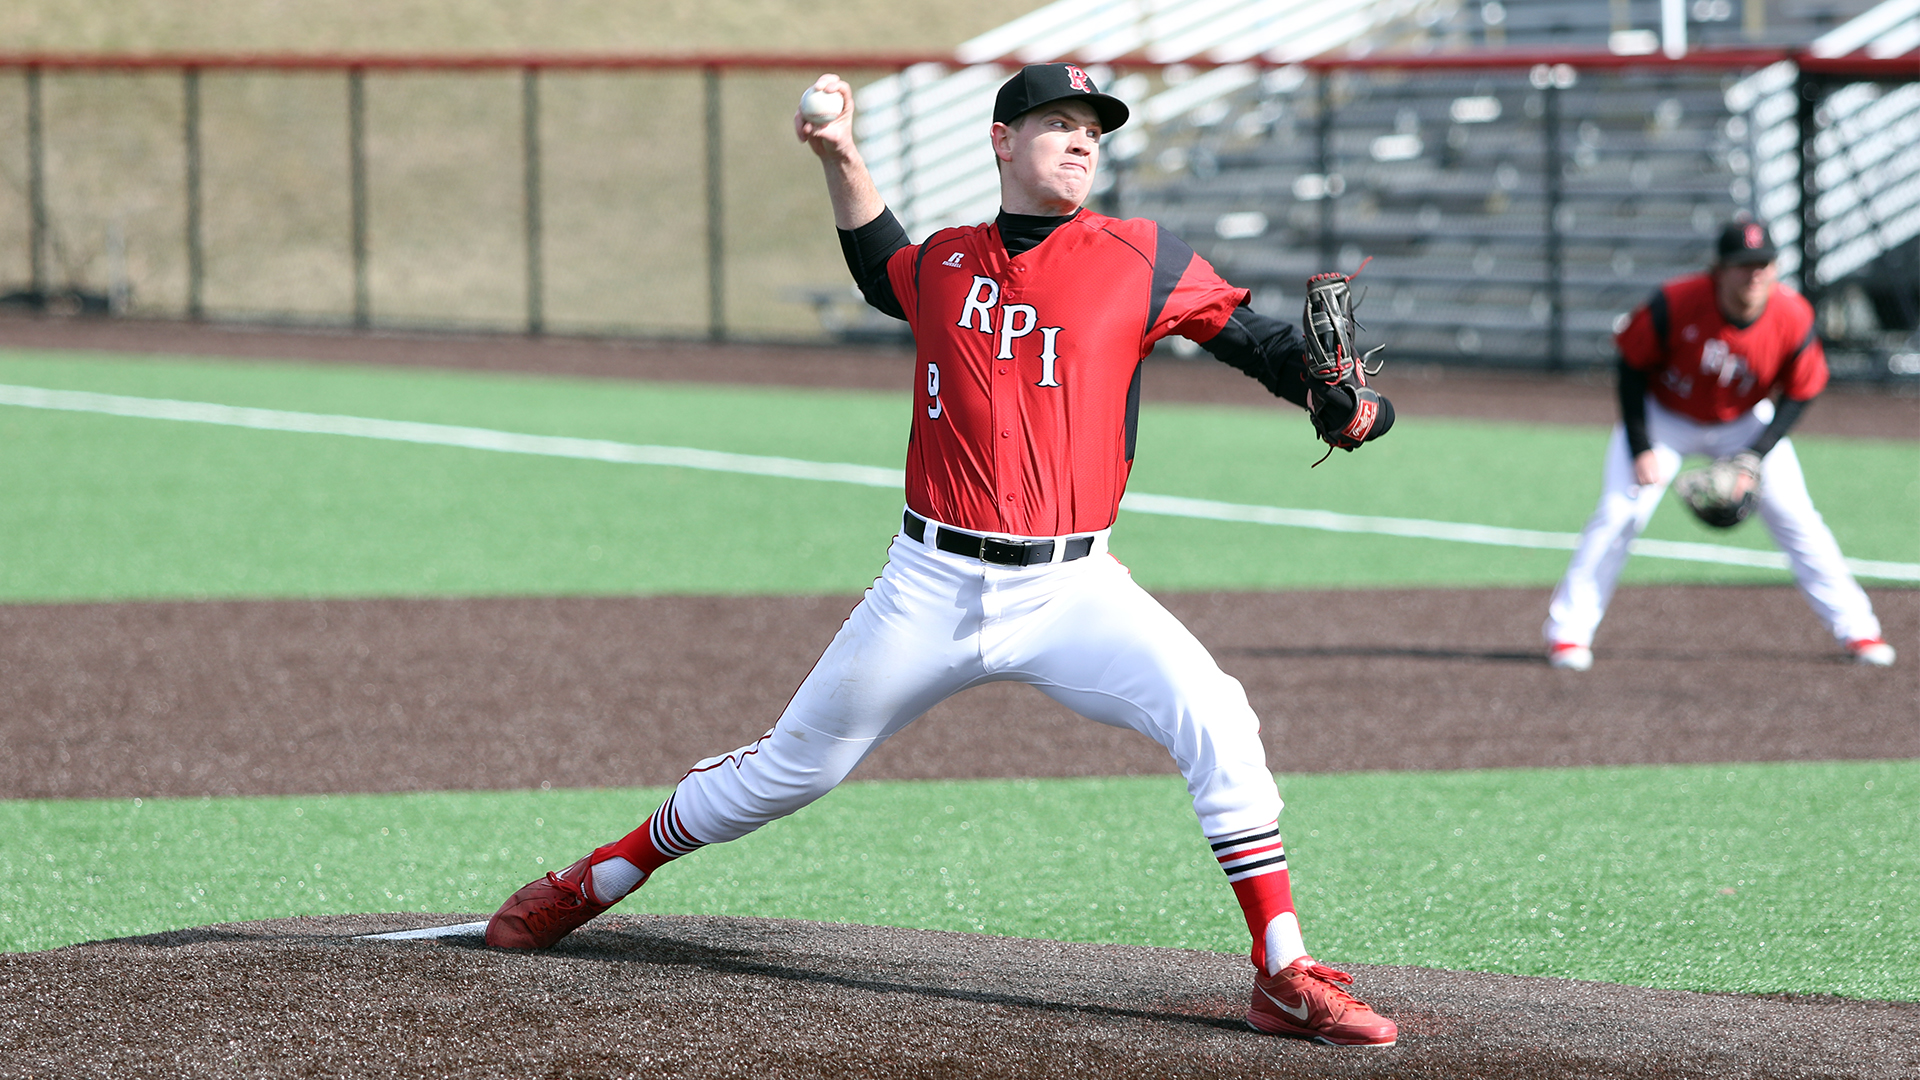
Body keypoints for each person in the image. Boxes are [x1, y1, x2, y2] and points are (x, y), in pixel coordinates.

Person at [485, 63, 1400, 1048]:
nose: (1081, 142)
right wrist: (839, 152)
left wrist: (1334, 398)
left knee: (1216, 714)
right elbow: (878, 261)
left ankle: (1282, 971)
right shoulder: (947, 265)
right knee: (788, 773)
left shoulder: (1139, 255)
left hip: (1074, 589)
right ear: (1002, 140)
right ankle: (595, 879)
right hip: (929, 584)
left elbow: (1257, 340)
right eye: (1058, 122)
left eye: (1093, 130)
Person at [1544, 221, 1894, 671]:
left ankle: (1859, 629)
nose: (1754, 274)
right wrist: (1641, 446)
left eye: (1763, 264)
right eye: (1743, 265)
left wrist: (1755, 455)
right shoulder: (1675, 302)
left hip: (1744, 421)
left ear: (1776, 267)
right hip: (1665, 417)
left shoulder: (1792, 316)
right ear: (1719, 270)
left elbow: (1802, 390)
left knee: (1797, 517)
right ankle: (1568, 634)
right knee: (1619, 512)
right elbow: (1631, 366)